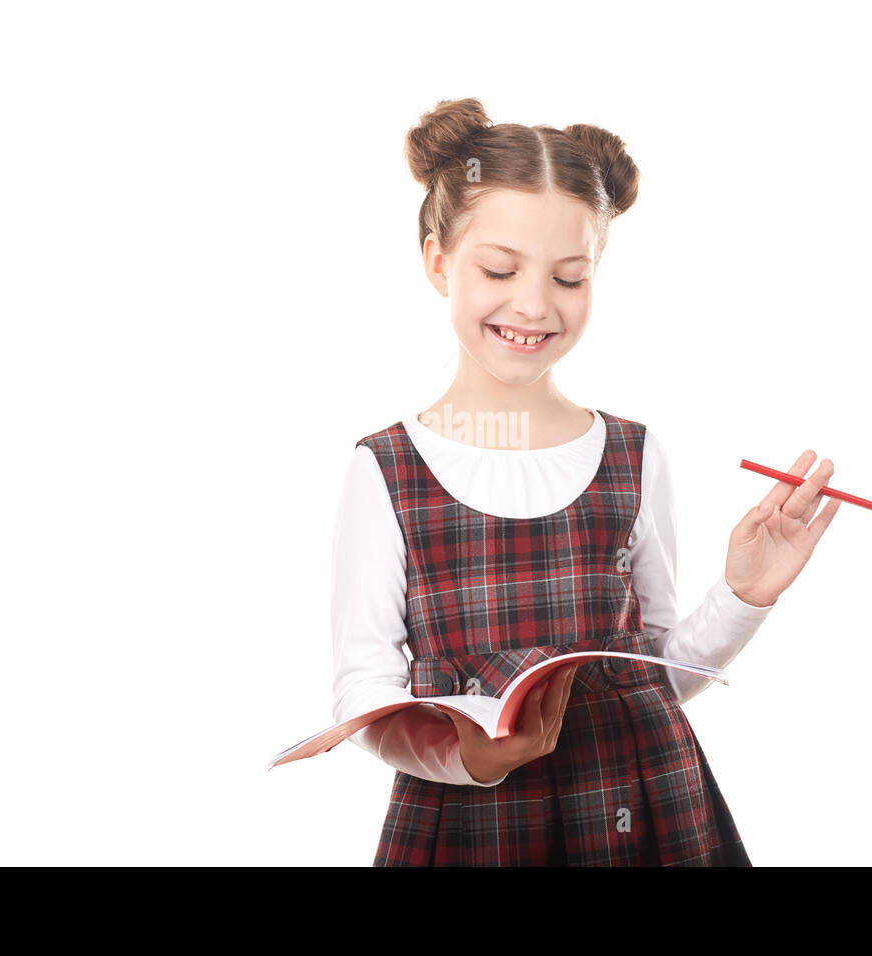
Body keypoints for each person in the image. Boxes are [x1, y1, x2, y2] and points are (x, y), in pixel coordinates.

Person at [329, 98, 841, 866]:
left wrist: (744, 594)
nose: (534, 304)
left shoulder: (633, 454)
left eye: (570, 276)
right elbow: (363, 694)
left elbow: (658, 677)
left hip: (643, 807)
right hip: (478, 830)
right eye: (499, 269)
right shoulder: (386, 469)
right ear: (438, 262)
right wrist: (476, 758)